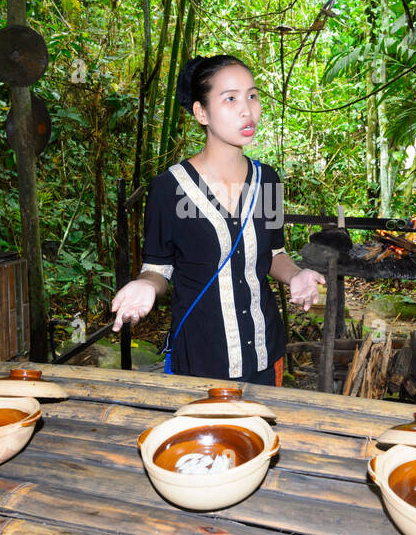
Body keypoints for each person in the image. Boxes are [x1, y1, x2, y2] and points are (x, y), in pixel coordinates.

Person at [110, 55, 325, 386]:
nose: (247, 109)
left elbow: (274, 255)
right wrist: (145, 285)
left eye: (252, 96)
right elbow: (159, 269)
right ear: (201, 112)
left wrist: (296, 275)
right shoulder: (169, 188)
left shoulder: (267, 179)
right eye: (230, 98)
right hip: (200, 360)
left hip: (265, 354)